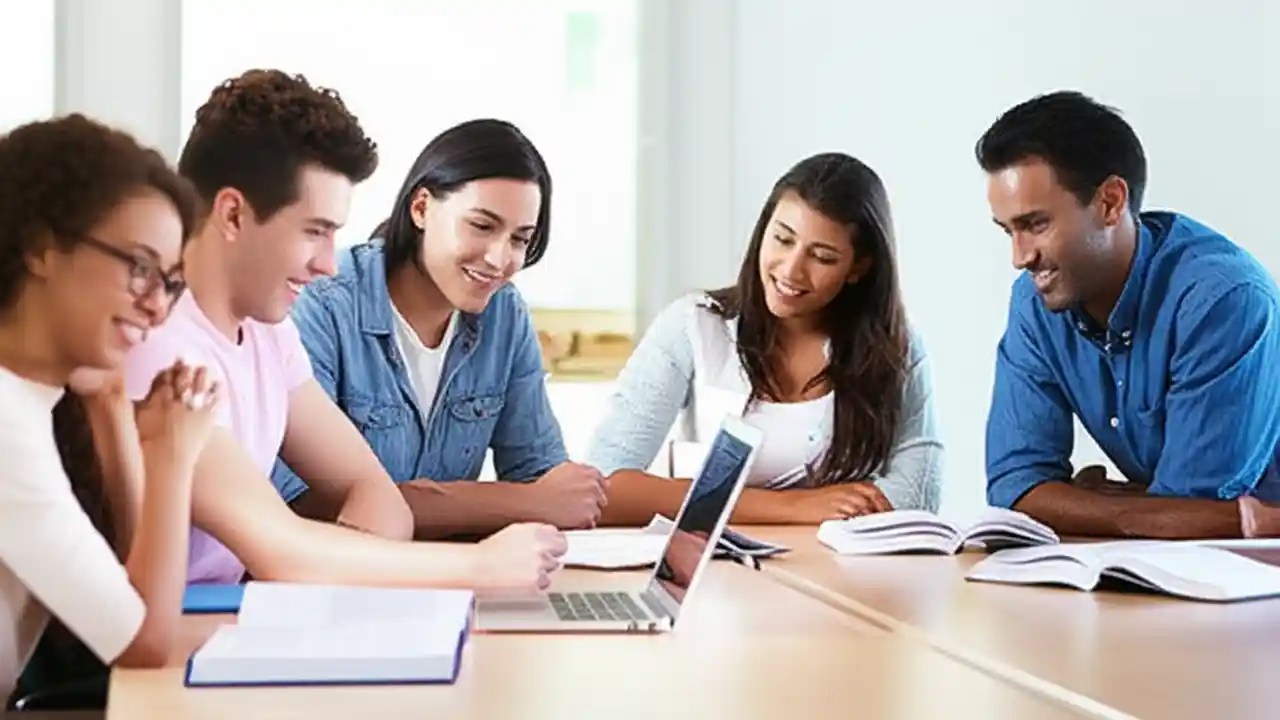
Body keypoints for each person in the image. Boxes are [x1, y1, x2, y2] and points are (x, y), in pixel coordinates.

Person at [123, 70, 565, 591]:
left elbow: (373, 492)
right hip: (162, 635)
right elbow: (281, 548)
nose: (328, 264)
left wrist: (344, 588)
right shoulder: (154, 343)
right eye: (315, 232)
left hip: (226, 621)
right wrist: (479, 566)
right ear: (234, 214)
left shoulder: (266, 331)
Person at [275, 119, 606, 539]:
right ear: (421, 208)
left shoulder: (504, 314)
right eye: (482, 226)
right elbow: (305, 503)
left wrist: (541, 499)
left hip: (452, 570)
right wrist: (526, 502)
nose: (499, 259)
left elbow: (545, 482)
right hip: (347, 575)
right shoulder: (324, 302)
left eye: (520, 239)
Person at [980, 90, 1280, 539]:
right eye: (1008, 231)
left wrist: (1086, 502)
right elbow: (1014, 487)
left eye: (1035, 224)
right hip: (1187, 557)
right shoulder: (1035, 302)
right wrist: (1142, 509)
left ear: (1110, 202)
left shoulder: (1223, 300)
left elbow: (1194, 513)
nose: (1020, 257)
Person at [588, 152, 943, 525]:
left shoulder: (897, 346)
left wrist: (702, 500)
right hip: (718, 561)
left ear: (858, 268)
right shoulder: (693, 324)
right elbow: (603, 485)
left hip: (837, 562)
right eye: (783, 239)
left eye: (822, 257)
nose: (791, 271)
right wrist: (794, 507)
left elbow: (918, 495)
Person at [0, 114, 217, 701]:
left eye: (170, 283)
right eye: (139, 268)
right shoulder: (6, 420)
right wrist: (172, 458)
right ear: (42, 247)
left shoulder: (32, 401)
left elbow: (127, 599)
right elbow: (144, 642)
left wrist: (114, 405)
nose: (157, 307)